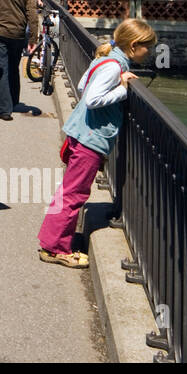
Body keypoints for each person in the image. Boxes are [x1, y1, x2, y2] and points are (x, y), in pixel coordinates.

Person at [38, 18, 156, 267]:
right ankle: (55, 248)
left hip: (80, 134)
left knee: (68, 192)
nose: (151, 52)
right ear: (134, 45)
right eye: (149, 47)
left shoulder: (105, 59)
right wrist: (123, 90)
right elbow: (92, 99)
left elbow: (82, 85)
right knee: (73, 195)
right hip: (90, 141)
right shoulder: (114, 67)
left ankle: (54, 242)